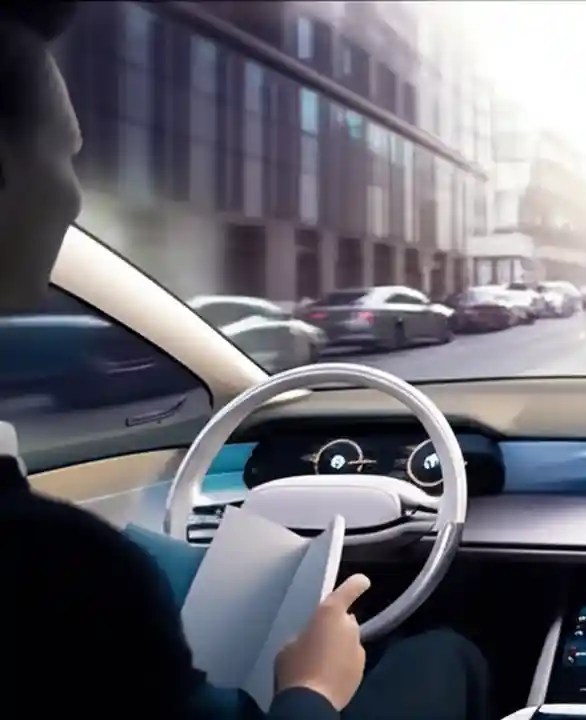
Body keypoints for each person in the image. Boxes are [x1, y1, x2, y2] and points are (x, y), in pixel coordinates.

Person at [0, 5, 489, 719]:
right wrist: (311, 686)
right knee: (448, 653)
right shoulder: (59, 573)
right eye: (67, 153)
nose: (74, 197)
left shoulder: (69, 572)